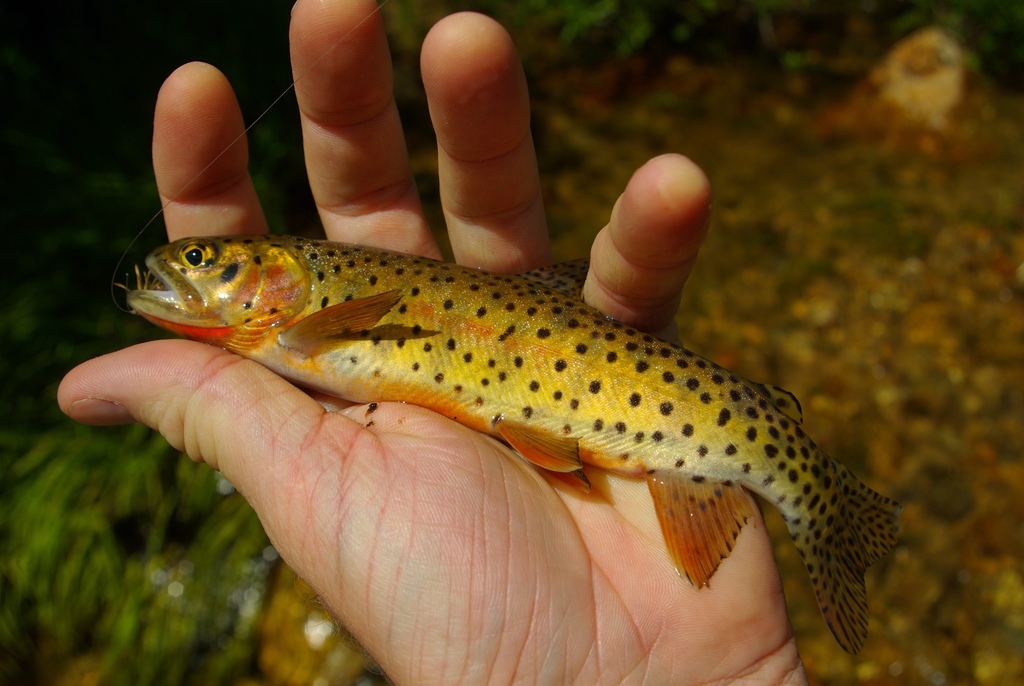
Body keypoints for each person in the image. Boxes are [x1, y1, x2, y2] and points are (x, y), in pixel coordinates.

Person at [59, 0, 807, 682]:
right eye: (195, 262)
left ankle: (803, 494)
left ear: (277, 278)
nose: (182, 270)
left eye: (200, 263)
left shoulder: (298, 326)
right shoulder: (286, 327)